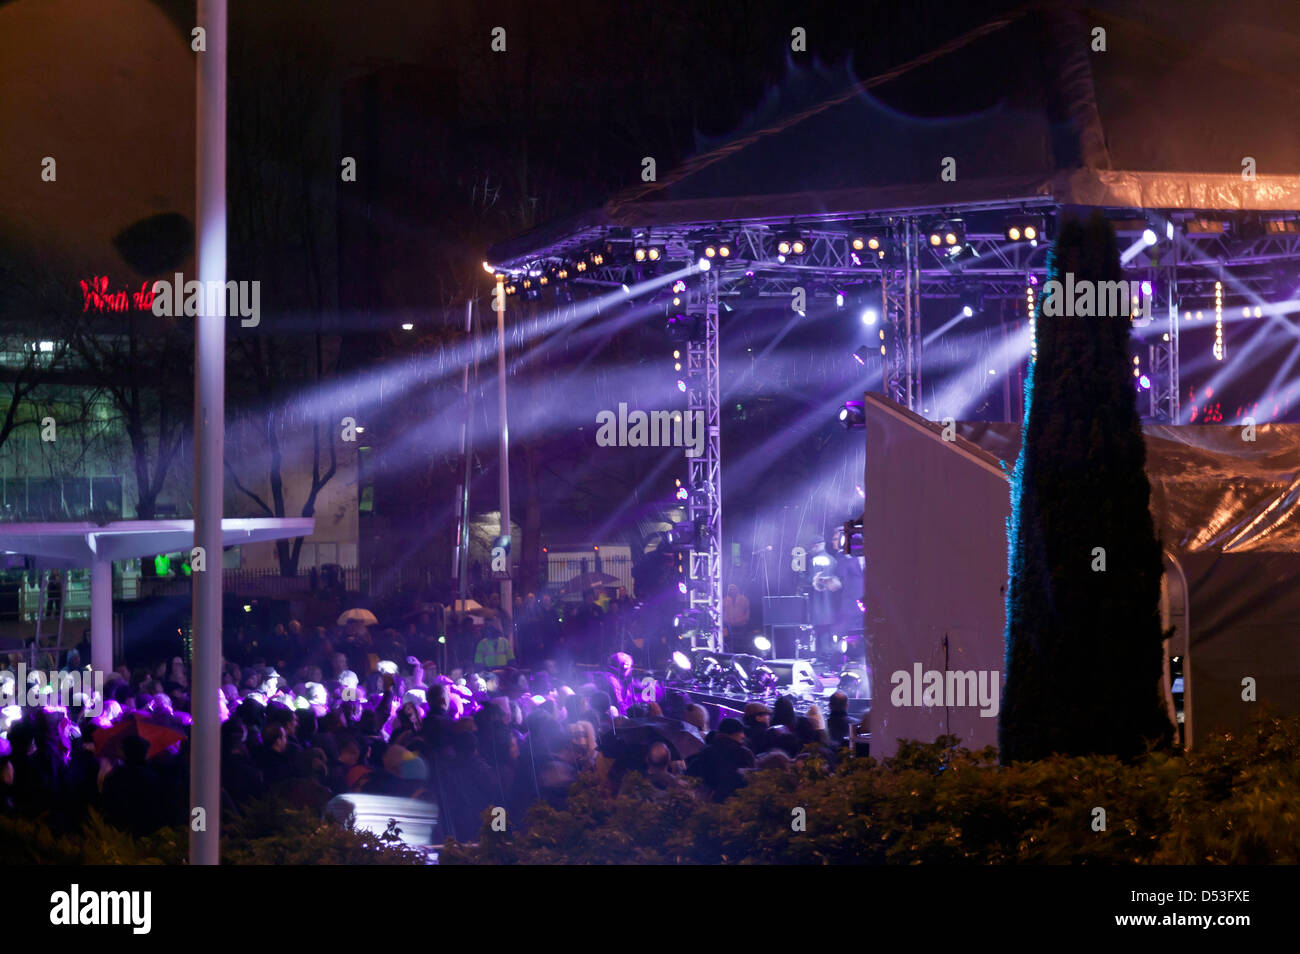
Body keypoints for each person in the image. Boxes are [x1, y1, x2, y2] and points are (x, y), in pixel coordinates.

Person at [686, 717, 754, 801]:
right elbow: (751, 779)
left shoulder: (706, 751)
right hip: (736, 803)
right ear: (733, 733)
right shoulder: (744, 753)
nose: (743, 735)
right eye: (741, 732)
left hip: (710, 800)